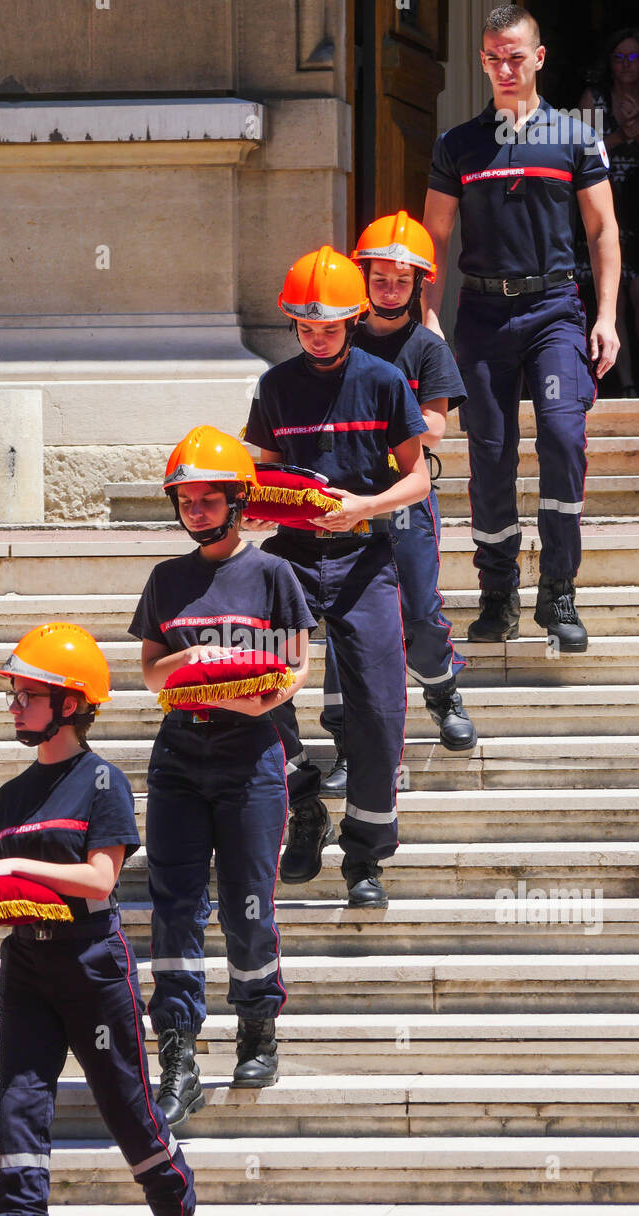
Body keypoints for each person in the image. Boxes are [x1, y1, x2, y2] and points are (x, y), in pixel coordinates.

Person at [0, 622, 214, 1216]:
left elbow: (101, 881)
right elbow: (13, 892)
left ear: (70, 703)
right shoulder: (11, 796)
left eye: (28, 694)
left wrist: (12, 867)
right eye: (13, 694)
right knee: (20, 1102)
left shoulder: (103, 783)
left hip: (93, 965)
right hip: (27, 966)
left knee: (127, 1106)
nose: (14, 706)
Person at [129, 426, 313, 1126]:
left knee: (247, 903)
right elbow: (153, 675)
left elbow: (295, 668)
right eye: (185, 501)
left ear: (238, 501)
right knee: (175, 907)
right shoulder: (166, 580)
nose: (196, 510)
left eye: (208, 499)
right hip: (179, 757)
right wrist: (199, 665)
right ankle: (178, 1054)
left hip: (251, 757)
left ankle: (257, 1027)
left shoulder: (273, 575)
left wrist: (248, 695)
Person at [422, 3, 620, 652]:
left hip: (554, 312)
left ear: (538, 58)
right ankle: (498, 593)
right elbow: (433, 239)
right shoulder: (457, 145)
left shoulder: (575, 137)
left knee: (562, 438)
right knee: (490, 456)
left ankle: (558, 589)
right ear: (482, 61)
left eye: (515, 57)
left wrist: (606, 316)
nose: (504, 69)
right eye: (492, 58)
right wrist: (429, 321)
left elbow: (602, 230)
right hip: (482, 317)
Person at [244, 245, 430, 908]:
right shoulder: (275, 387)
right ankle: (303, 806)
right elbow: (264, 474)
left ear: (352, 320)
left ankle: (365, 855)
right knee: (257, 681)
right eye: (304, 327)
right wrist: (261, 504)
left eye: (328, 327)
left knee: (379, 709)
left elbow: (418, 477)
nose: (316, 338)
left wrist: (364, 507)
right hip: (290, 559)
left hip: (364, 559)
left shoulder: (385, 381)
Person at [319, 211, 476, 795]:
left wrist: (375, 415)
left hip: (404, 498)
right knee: (344, 617)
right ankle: (345, 742)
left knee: (419, 608)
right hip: (346, 500)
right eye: (379, 278)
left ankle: (442, 691)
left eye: (401, 280)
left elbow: (434, 428)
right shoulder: (340, 336)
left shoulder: (428, 349)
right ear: (362, 278)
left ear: (419, 284)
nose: (389, 290)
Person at [577, 28, 639, 395]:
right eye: (619, 57)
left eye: (634, 57)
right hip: (605, 199)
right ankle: (627, 384)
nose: (626, 65)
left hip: (637, 204)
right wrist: (621, 135)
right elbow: (580, 149)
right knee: (612, 295)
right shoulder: (594, 98)